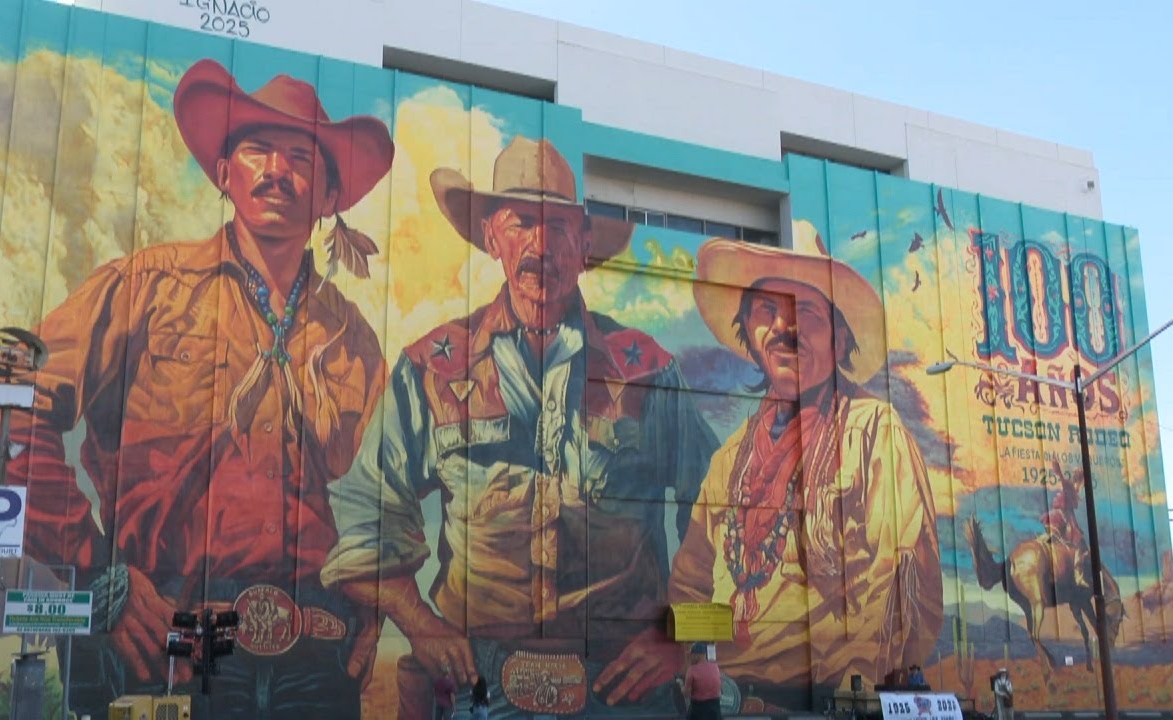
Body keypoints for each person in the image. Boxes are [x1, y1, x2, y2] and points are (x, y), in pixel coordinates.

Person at [0, 59, 394, 719]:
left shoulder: (352, 339)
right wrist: (99, 572)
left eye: (300, 157)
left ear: (328, 194)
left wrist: (373, 598)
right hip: (172, 633)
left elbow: (376, 503)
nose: (277, 170)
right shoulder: (146, 289)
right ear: (223, 175)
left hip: (314, 654)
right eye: (256, 151)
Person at [321, 136, 718, 718]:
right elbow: (365, 507)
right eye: (520, 224)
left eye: (558, 228)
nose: (540, 246)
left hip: (622, 690)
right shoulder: (432, 366)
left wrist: (679, 637)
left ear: (583, 245)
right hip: (477, 687)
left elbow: (726, 517)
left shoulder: (647, 370)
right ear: (491, 237)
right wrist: (419, 624)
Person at [662, 223, 943, 710]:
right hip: (728, 700)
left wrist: (852, 690)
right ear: (749, 334)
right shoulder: (730, 457)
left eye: (806, 312)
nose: (784, 326)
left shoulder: (873, 431)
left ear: (840, 338)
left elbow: (897, 579)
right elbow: (689, 582)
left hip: (827, 700)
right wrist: (693, 664)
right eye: (767, 310)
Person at [684, 643, 723, 720]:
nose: (691, 658)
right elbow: (720, 685)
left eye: (692, 655)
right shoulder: (715, 667)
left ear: (697, 655)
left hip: (698, 709)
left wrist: (681, 685)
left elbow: (687, 693)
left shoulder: (692, 670)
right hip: (715, 709)